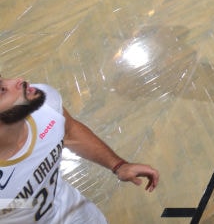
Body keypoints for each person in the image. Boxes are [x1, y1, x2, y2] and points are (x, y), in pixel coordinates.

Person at [0, 75, 159, 222]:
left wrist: (118, 165)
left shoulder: (45, 106)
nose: (19, 80)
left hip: (80, 215)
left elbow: (69, 132)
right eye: (2, 90)